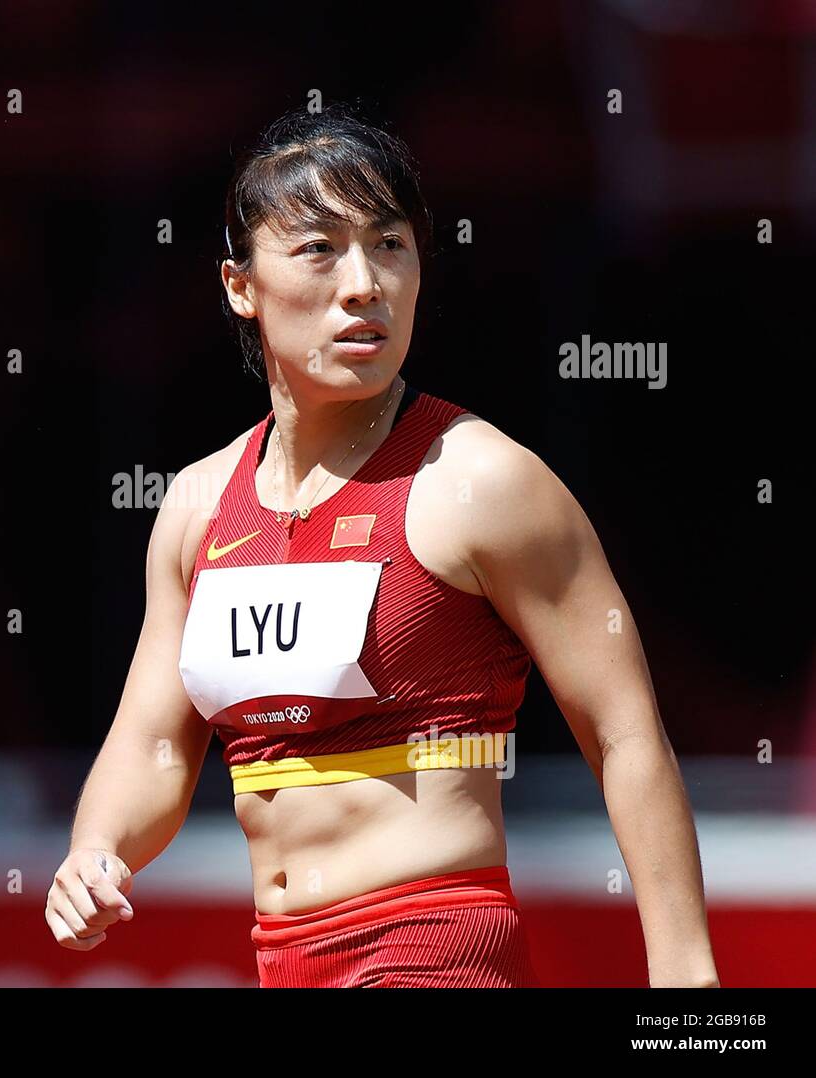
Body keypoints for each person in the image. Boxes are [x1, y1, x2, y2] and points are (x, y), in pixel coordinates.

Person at [45, 103, 719, 988]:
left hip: (434, 953)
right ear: (240, 285)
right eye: (319, 249)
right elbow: (155, 748)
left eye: (390, 245)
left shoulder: (483, 482)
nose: (364, 283)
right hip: (280, 960)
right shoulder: (198, 507)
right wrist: (96, 852)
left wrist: (687, 980)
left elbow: (624, 731)